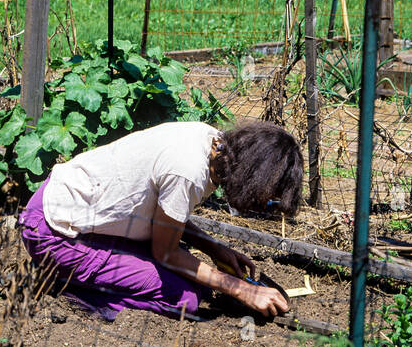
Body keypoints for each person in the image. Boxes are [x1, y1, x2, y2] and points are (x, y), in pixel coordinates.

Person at [18, 118, 302, 322]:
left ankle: (79, 273)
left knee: (200, 281)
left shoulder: (209, 141)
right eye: (267, 196)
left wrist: (215, 248)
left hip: (69, 211)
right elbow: (164, 251)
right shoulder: (188, 172)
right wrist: (242, 289)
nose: (264, 203)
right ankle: (63, 282)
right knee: (185, 299)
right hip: (54, 235)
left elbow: (165, 216)